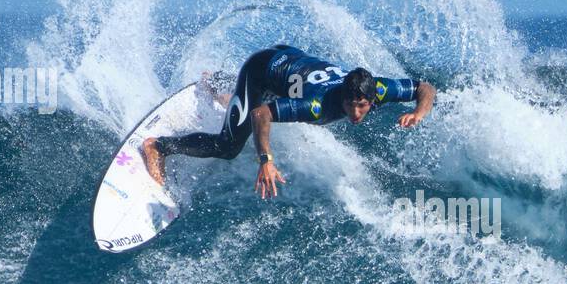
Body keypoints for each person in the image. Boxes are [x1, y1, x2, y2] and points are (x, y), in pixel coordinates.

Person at [142, 44, 436, 198]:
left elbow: (424, 88)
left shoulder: (378, 88)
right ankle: (159, 146)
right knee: (228, 146)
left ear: (373, 99)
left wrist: (419, 113)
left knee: (266, 95)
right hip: (262, 70)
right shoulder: (317, 106)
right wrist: (265, 160)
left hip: (289, 60)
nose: (356, 112)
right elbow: (262, 114)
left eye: (361, 106)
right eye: (350, 105)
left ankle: (218, 85)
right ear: (342, 98)